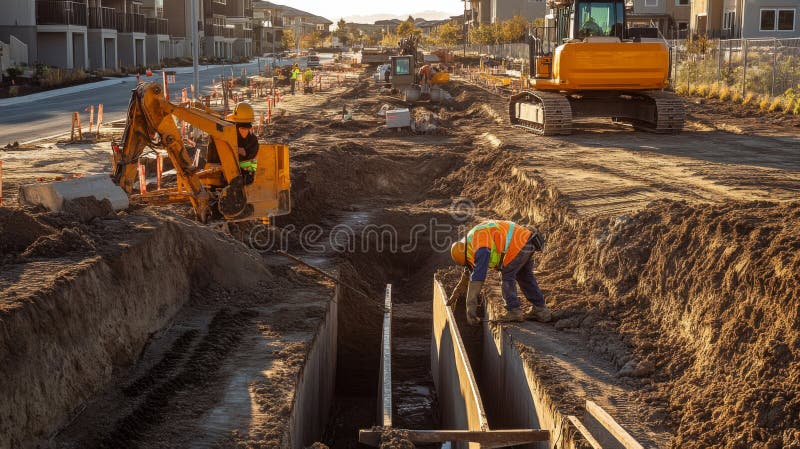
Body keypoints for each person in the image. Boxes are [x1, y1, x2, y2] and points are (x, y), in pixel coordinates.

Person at [448, 220, 551, 324]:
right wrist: (459, 288)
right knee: (524, 276)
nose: (469, 265)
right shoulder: (470, 242)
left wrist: (470, 307)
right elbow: (470, 269)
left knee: (507, 275)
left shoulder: (480, 248)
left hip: (517, 244)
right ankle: (541, 310)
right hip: (526, 239)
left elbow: (478, 276)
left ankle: (514, 310)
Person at [206, 103, 259, 183]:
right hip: (219, 173)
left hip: (241, 177)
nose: (245, 132)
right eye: (242, 128)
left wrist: (242, 152)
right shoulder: (224, 134)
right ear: (236, 126)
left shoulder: (253, 141)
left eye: (247, 128)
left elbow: (252, 163)